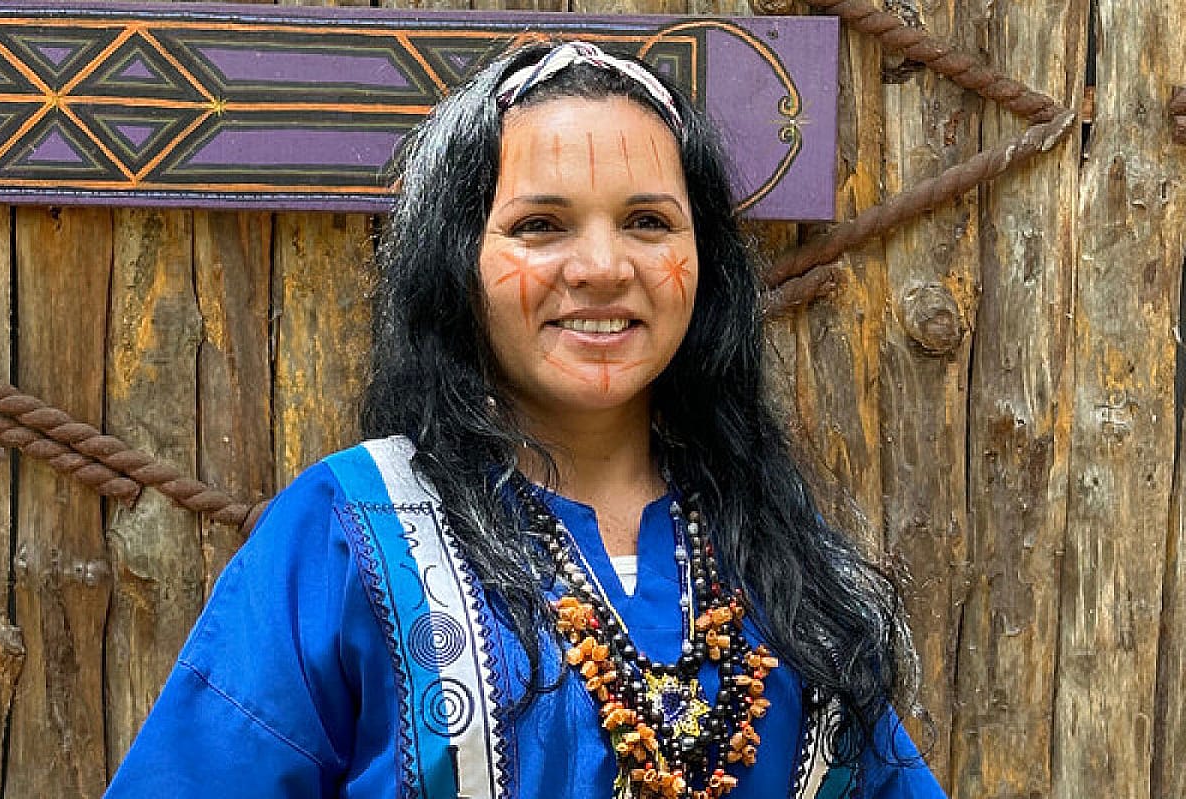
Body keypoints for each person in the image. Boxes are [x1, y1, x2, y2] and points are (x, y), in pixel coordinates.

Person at [105, 41, 946, 799]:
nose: (602, 267)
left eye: (648, 222)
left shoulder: (780, 555)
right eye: (540, 226)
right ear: (457, 262)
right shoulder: (348, 533)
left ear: (706, 263)